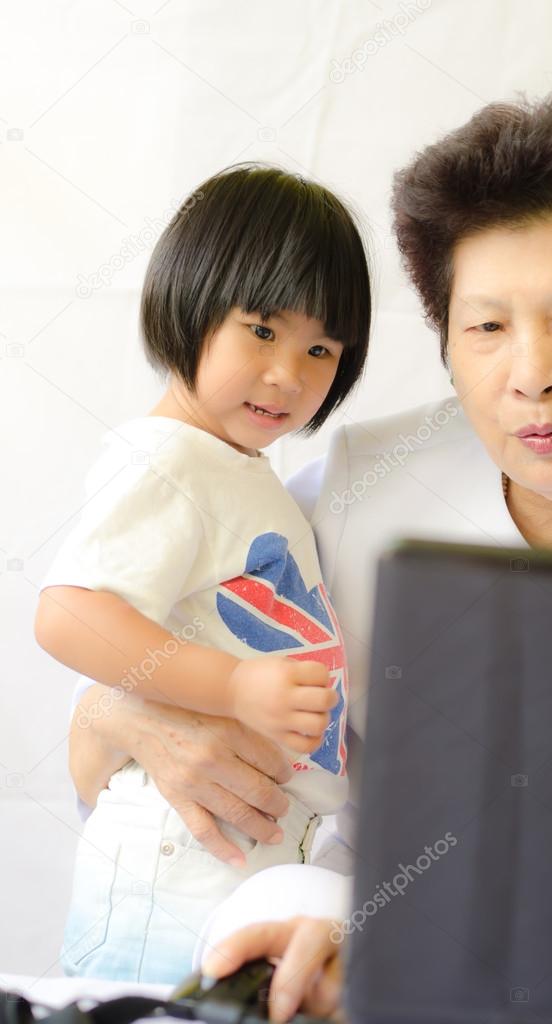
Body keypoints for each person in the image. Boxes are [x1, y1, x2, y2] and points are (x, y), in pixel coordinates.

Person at [65, 82, 552, 1019]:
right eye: (485, 328)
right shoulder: (366, 483)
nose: (533, 376)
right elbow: (124, 671)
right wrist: (122, 706)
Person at [33, 163, 371, 982]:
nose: (288, 374)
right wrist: (233, 689)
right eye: (262, 330)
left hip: (246, 863)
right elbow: (67, 613)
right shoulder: (167, 458)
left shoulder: (244, 473)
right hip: (169, 864)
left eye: (320, 348)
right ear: (188, 303)